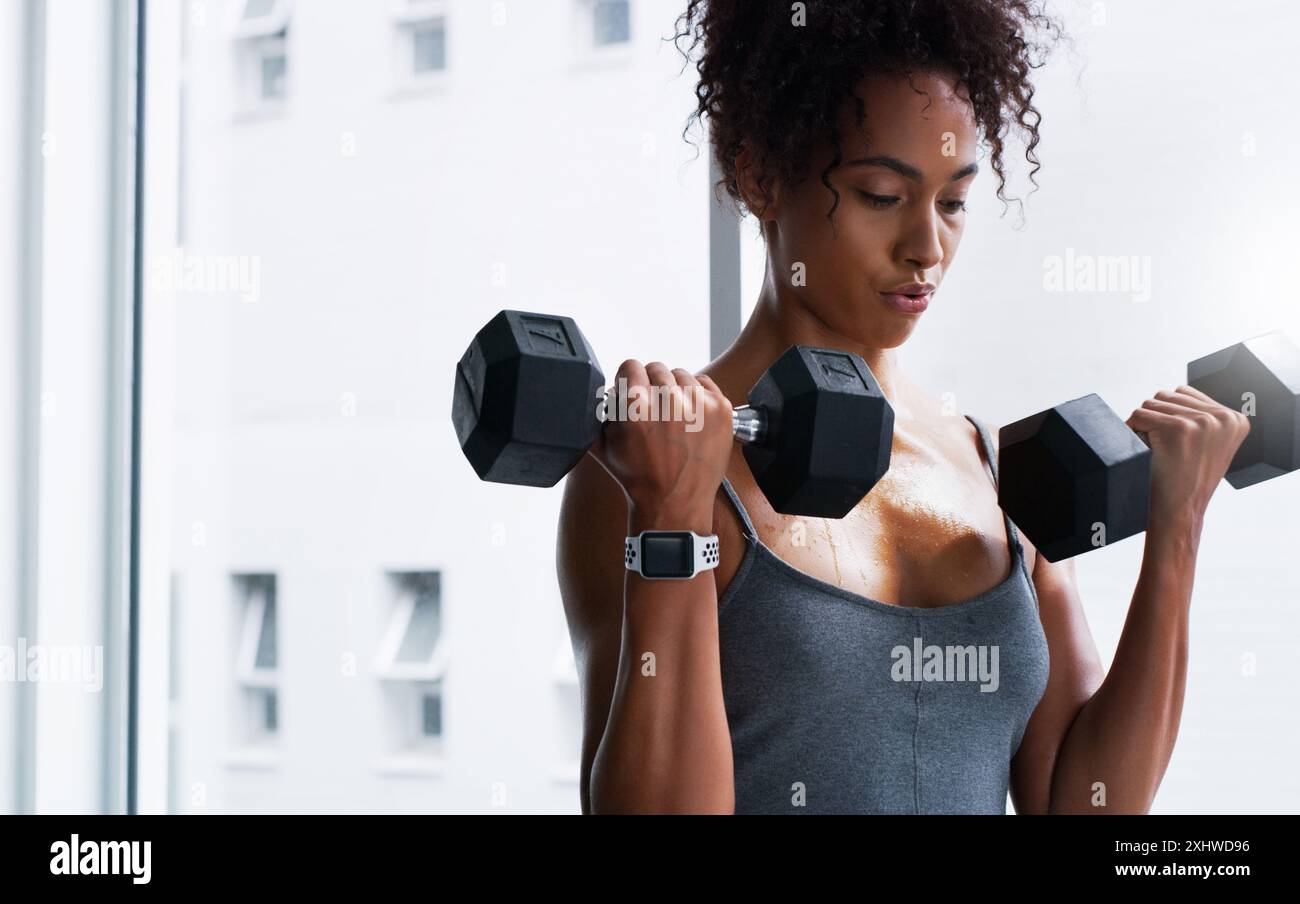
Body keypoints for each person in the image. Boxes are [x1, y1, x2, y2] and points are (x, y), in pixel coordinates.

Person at [556, 0, 1250, 814]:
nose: (927, 247)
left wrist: (1178, 531)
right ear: (756, 173)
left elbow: (1085, 805)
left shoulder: (991, 468)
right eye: (883, 195)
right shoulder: (649, 470)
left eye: (953, 203)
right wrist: (670, 519)